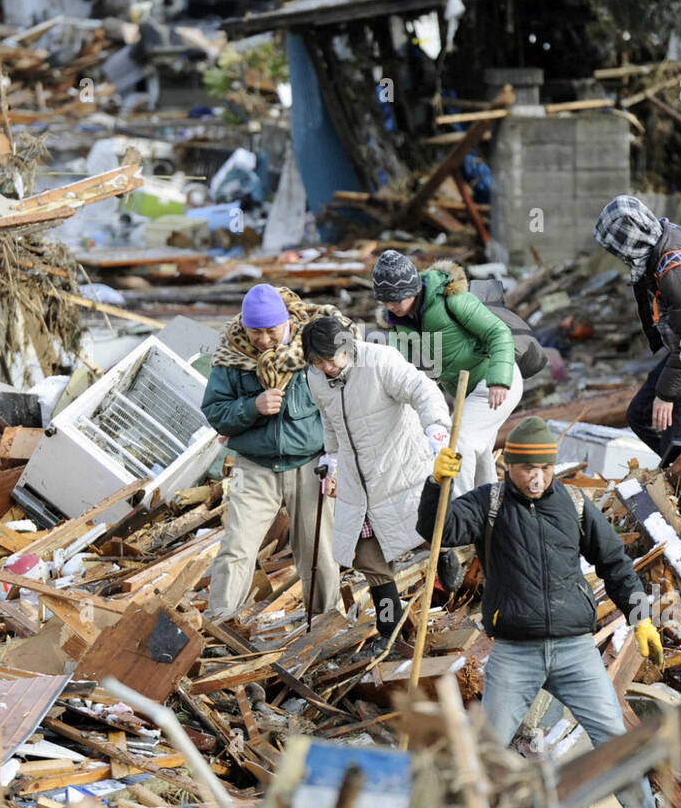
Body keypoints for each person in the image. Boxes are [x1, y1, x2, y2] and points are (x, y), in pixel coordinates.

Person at [417, 414, 665, 808]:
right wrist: (438, 486)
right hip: (514, 652)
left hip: (574, 650)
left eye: (545, 468)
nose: (536, 477)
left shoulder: (573, 503)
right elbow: (439, 531)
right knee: (489, 746)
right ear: (507, 466)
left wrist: (641, 617)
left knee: (613, 735)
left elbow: (615, 563)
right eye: (527, 468)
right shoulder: (488, 503)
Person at [371, 249, 523, 587]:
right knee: (479, 451)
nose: (395, 305)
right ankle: (494, 517)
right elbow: (411, 378)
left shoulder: (452, 300)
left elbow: (499, 334)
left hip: (496, 381)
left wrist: (499, 377)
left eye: (400, 296)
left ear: (415, 287)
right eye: (387, 300)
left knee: (462, 445)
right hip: (467, 393)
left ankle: (465, 522)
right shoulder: (398, 329)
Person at [303, 316, 450, 649]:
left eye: (331, 359)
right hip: (358, 479)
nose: (326, 367)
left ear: (347, 347)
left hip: (399, 466)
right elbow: (330, 422)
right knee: (368, 557)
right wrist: (332, 459)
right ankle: (389, 628)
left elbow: (422, 389)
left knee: (426, 529)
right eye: (317, 362)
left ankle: (445, 557)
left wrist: (437, 429)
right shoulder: (316, 378)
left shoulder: (380, 360)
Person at [201, 283, 345, 620]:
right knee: (236, 549)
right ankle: (220, 626)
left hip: (311, 465)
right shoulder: (230, 356)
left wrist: (335, 458)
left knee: (319, 553)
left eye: (271, 331)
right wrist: (251, 407)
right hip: (255, 468)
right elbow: (215, 412)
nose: (264, 340)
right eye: (255, 332)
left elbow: (341, 405)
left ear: (287, 324)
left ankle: (326, 625)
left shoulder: (314, 348)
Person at [593, 195, 681, 466]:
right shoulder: (662, 235)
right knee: (640, 414)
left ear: (627, 242)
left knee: (678, 443)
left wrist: (667, 395)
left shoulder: (676, 274)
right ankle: (680, 472)